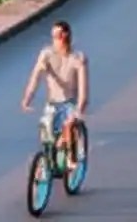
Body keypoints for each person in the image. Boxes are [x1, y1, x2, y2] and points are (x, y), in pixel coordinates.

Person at [20, 21, 88, 170]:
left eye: (57, 36)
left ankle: (72, 158)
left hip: (69, 102)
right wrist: (26, 100)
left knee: (68, 124)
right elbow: (35, 78)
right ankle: (46, 163)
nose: (55, 40)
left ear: (66, 36)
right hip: (52, 103)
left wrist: (79, 109)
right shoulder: (46, 55)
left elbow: (83, 89)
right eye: (53, 36)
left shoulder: (78, 59)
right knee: (47, 134)